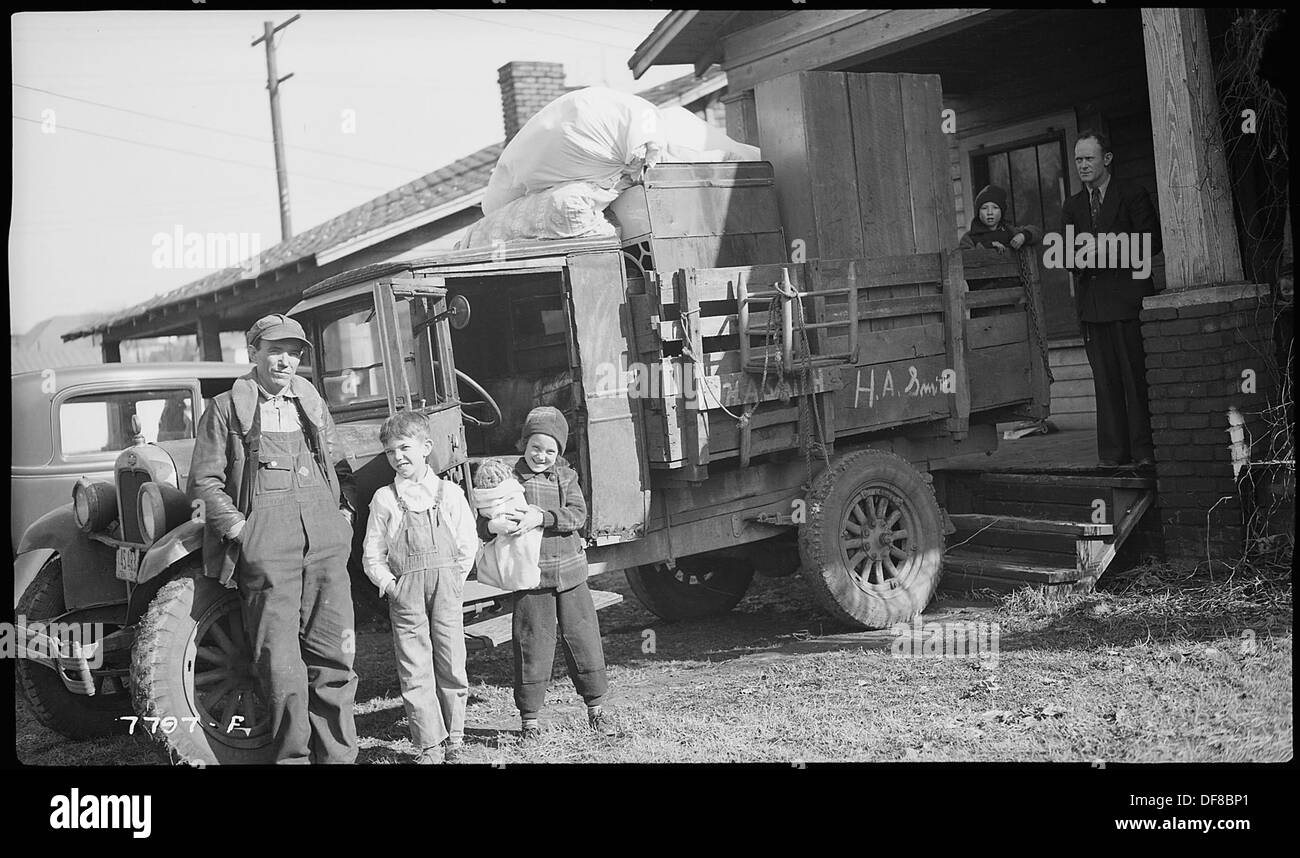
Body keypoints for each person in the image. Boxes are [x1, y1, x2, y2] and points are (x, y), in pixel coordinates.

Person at [188, 313, 359, 764]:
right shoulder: (226, 408)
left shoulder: (312, 403)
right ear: (254, 354)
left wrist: (343, 516)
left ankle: (339, 759)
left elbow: (341, 468)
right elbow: (204, 484)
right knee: (280, 665)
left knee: (335, 656)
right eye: (276, 351)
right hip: (268, 544)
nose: (286, 361)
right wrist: (243, 531)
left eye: (295, 353)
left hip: (324, 542)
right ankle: (293, 760)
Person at [482, 406, 619, 740]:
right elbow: (486, 521)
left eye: (550, 450)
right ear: (523, 444)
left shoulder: (565, 475)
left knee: (583, 638)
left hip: (570, 573)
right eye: (535, 448)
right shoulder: (510, 478)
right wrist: (497, 524)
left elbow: (577, 515)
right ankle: (530, 720)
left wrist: (540, 518)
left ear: (559, 452)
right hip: (531, 578)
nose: (541, 456)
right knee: (531, 643)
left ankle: (597, 709)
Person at [362, 410, 478, 764]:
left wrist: (455, 579)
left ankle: (455, 737)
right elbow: (372, 554)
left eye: (405, 448)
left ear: (426, 447)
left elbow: (467, 543)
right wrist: (389, 585)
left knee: (451, 659)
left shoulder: (449, 493)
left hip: (446, 587)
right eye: (391, 452)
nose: (398, 458)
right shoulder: (384, 499)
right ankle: (428, 743)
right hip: (406, 593)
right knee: (414, 666)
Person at [1061, 131, 1163, 468]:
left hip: (1129, 303)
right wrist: (1080, 256)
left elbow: (1151, 243)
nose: (1083, 165)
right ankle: (1113, 455)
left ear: (1107, 159)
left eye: (1089, 158)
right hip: (1093, 307)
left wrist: (1109, 248)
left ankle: (1144, 452)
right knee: (1105, 383)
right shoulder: (1073, 205)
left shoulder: (1132, 193)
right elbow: (1063, 253)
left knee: (1134, 379)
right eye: (1078, 159)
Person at [471, 457, 542, 592]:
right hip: (521, 537)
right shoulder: (514, 490)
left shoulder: (481, 498)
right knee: (523, 557)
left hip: (505, 539)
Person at [958, 184, 1042, 252]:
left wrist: (1023, 236)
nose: (989, 212)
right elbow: (965, 258)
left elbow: (1037, 232)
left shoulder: (1009, 230)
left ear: (1001, 212)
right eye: (984, 208)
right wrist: (987, 246)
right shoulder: (969, 238)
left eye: (995, 208)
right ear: (978, 213)